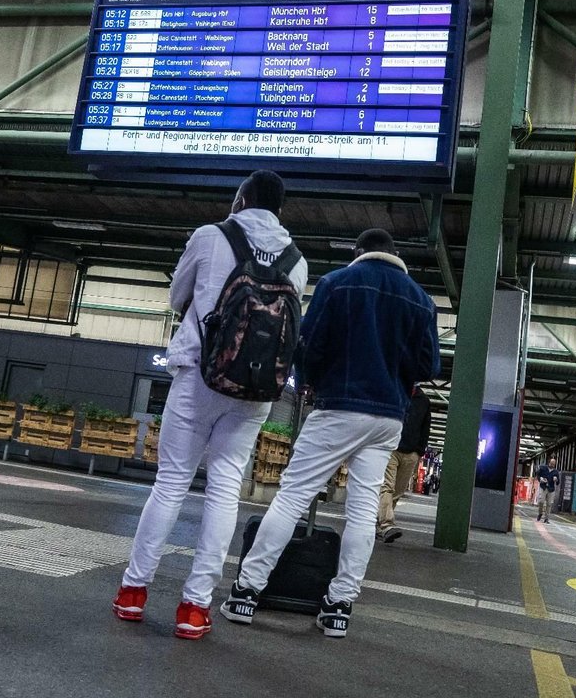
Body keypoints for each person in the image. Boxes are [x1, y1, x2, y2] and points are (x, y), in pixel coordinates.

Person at [114, 171, 307, 640]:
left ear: (240, 199)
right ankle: (195, 608)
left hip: (200, 376)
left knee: (171, 483)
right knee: (224, 490)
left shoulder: (210, 236)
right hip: (256, 391)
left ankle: (134, 592)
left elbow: (177, 297)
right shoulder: (298, 262)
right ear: (281, 210)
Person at [222, 228, 440, 639]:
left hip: (338, 405)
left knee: (292, 495)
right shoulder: (421, 299)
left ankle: (246, 592)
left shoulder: (337, 283)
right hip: (388, 417)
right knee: (363, 510)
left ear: (358, 252)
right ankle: (339, 606)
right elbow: (428, 366)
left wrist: (311, 381)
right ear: (395, 254)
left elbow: (308, 343)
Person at [376, 385, 431, 542]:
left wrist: (418, 451)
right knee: (387, 487)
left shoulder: (423, 401)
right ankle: (386, 524)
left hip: (411, 453)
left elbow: (425, 428)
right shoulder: (394, 389)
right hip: (391, 448)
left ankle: (379, 525)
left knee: (398, 491)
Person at [536, 456, 560, 522]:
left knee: (549, 504)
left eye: (554, 464)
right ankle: (540, 513)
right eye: (551, 463)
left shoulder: (556, 472)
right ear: (549, 462)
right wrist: (540, 479)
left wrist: (556, 480)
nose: (552, 465)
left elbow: (558, 482)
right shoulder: (543, 468)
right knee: (541, 501)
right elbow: (537, 474)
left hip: (551, 489)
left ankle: (546, 518)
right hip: (543, 487)